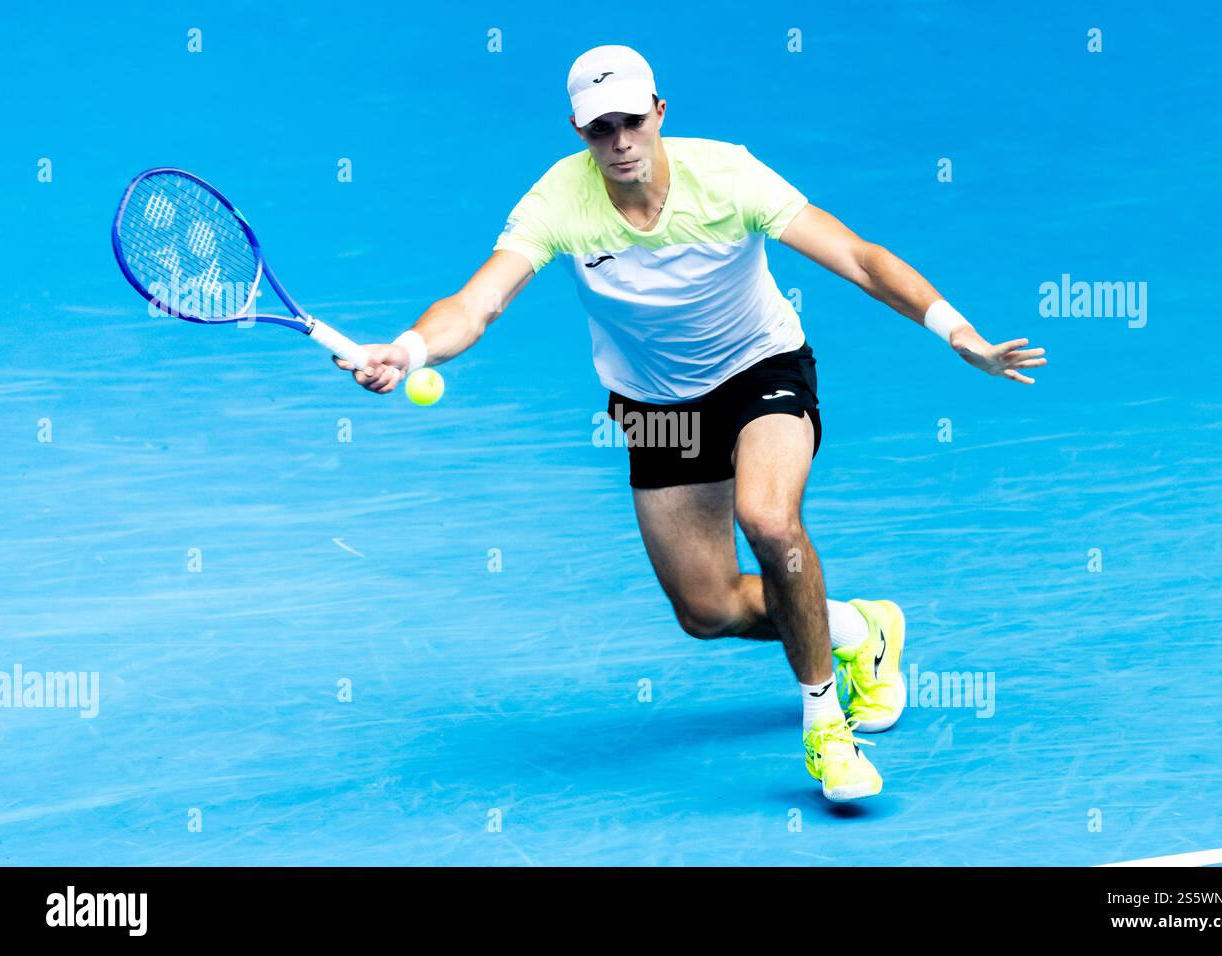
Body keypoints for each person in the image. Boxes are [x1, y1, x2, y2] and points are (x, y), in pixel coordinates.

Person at [336, 45, 1046, 801]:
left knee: (769, 523)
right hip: (656, 411)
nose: (619, 142)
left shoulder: (728, 175)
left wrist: (959, 333)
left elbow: (860, 259)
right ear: (578, 129)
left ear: (660, 113)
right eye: (599, 128)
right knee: (705, 611)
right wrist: (409, 348)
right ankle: (859, 632)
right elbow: (476, 304)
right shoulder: (556, 202)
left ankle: (824, 727)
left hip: (758, 374)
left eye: (632, 122)